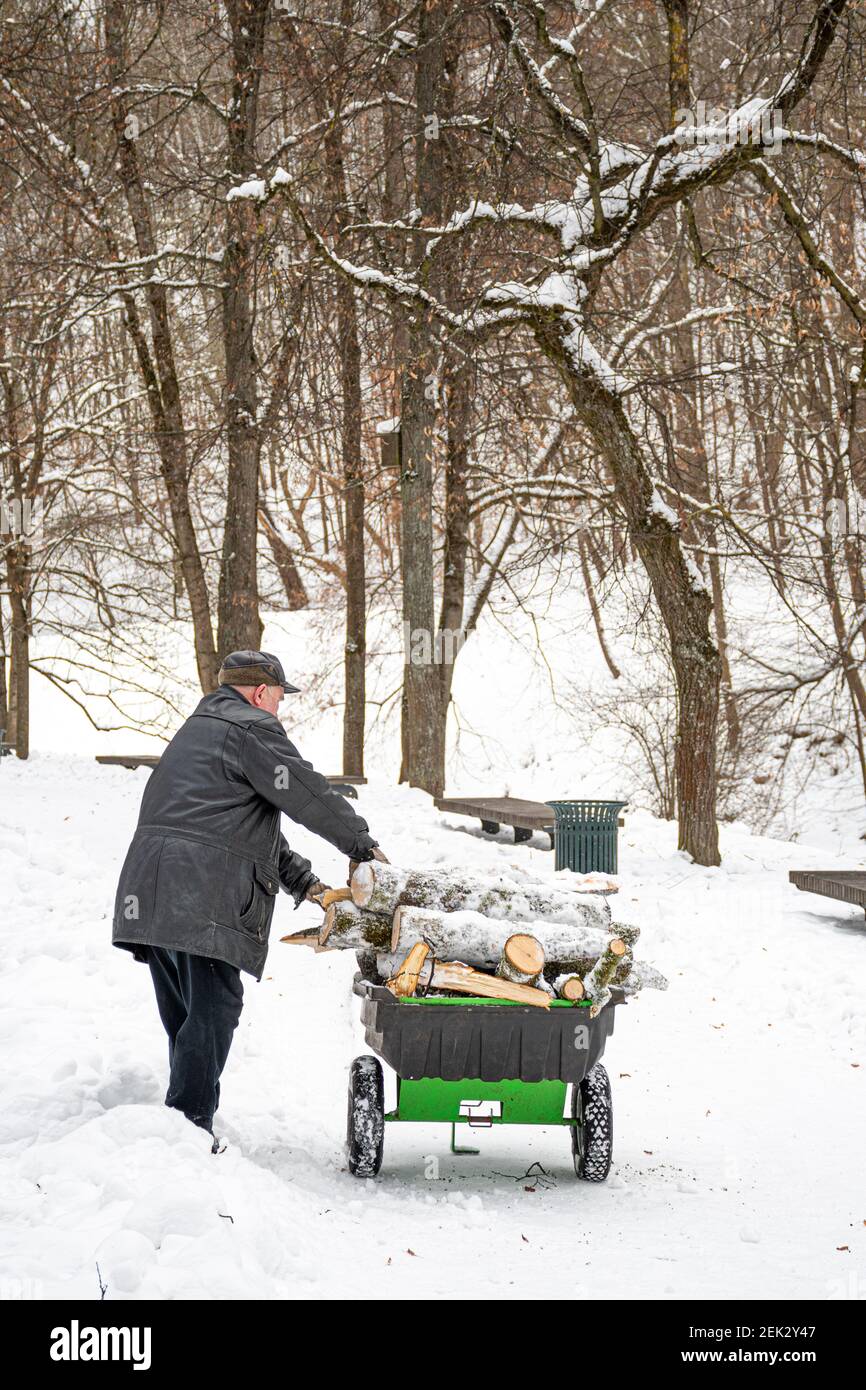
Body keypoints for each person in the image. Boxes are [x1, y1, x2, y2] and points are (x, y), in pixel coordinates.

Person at [112, 649, 385, 1149]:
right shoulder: (252, 729)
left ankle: (181, 1126)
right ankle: (188, 1128)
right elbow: (307, 793)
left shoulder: (198, 731)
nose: (279, 709)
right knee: (215, 1005)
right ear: (261, 692)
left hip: (151, 892)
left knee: (189, 1011)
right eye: (279, 698)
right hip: (202, 894)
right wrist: (363, 846)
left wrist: (305, 883)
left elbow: (240, 827)